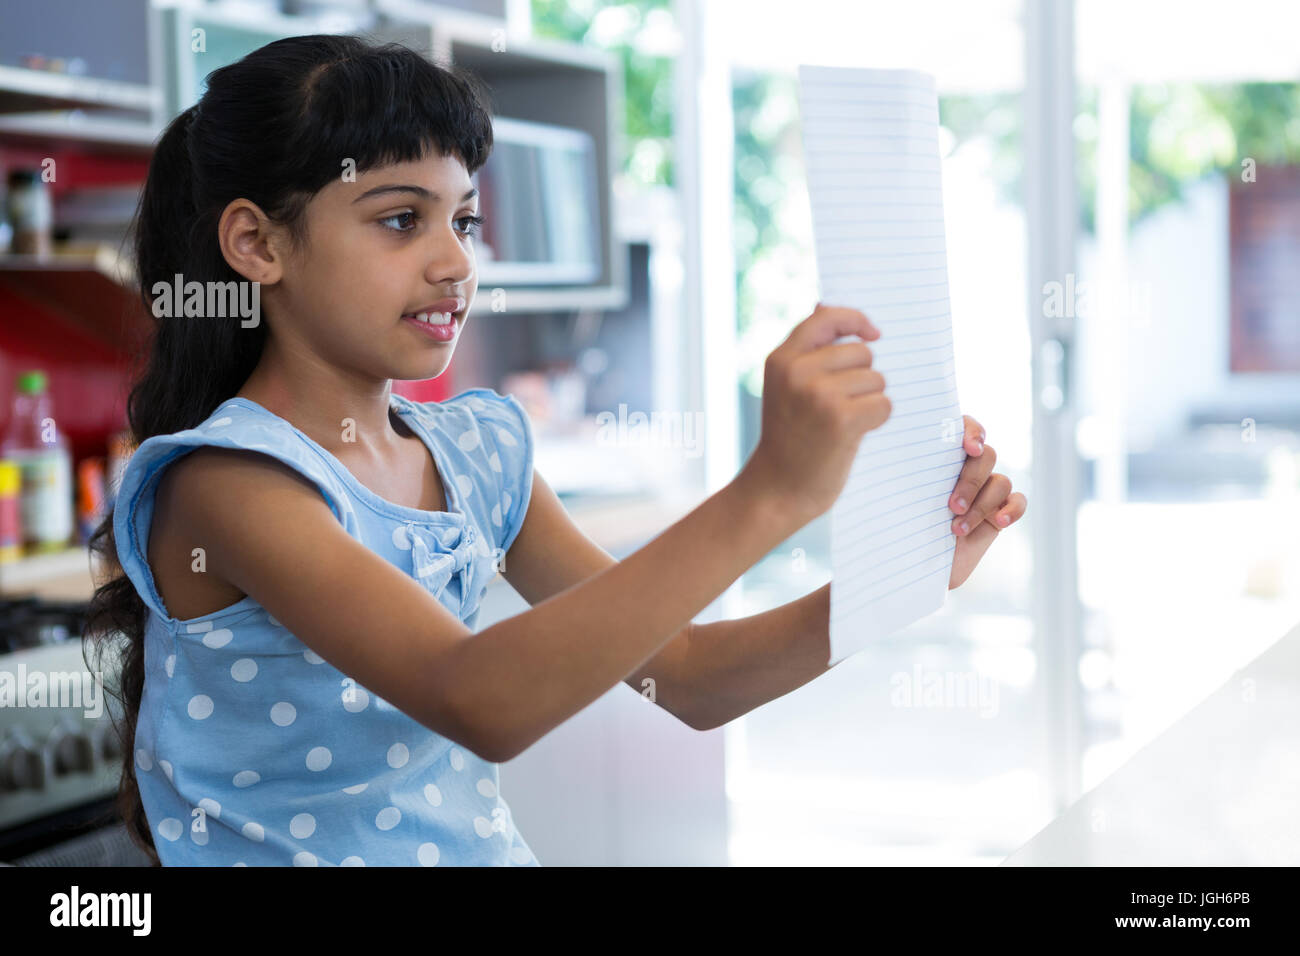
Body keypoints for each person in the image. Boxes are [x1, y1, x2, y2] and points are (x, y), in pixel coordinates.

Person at [84, 33, 1025, 867]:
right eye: (400, 218)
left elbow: (686, 676)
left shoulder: (477, 456)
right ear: (257, 243)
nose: (454, 262)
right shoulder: (228, 484)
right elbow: (478, 698)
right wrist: (771, 492)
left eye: (463, 220)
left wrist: (904, 576)